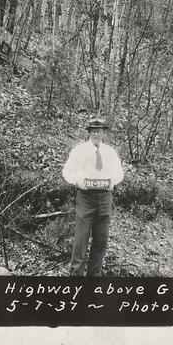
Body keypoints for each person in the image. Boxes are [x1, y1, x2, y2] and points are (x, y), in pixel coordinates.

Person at [62, 117, 124, 277]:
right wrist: (78, 180)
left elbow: (119, 173)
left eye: (99, 131)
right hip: (85, 198)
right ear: (89, 133)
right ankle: (76, 277)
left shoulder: (110, 153)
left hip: (104, 198)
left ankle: (94, 278)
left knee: (101, 240)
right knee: (81, 240)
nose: (96, 134)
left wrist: (113, 181)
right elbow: (67, 171)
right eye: (93, 131)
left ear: (104, 133)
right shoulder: (79, 151)